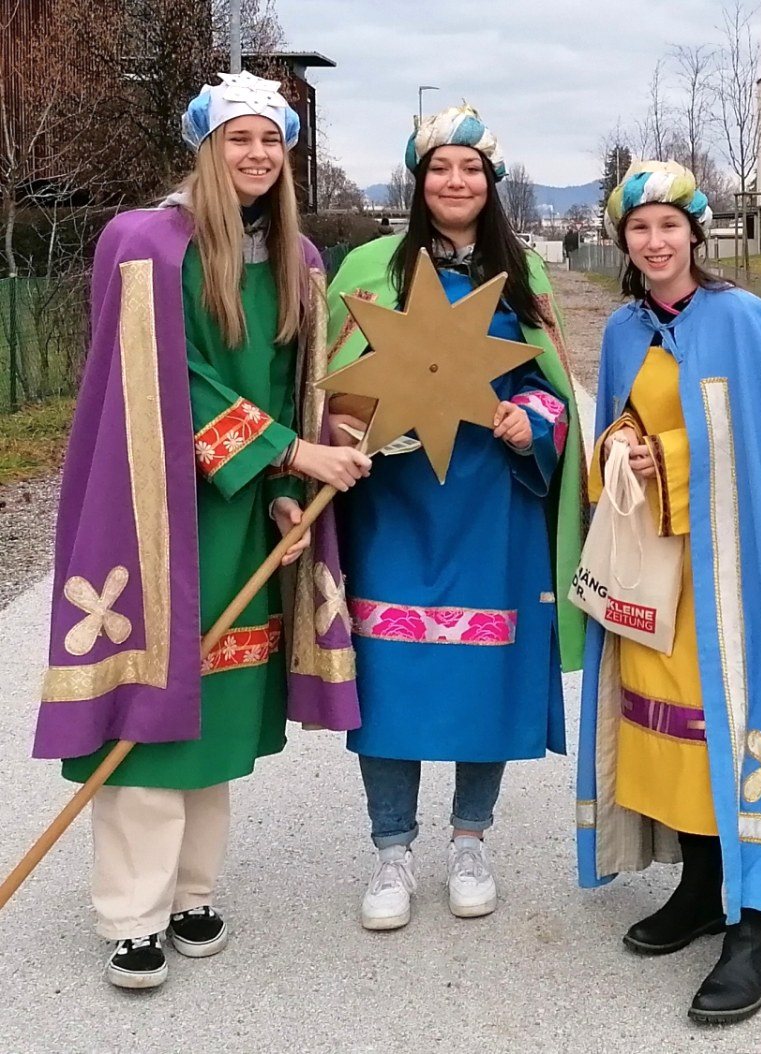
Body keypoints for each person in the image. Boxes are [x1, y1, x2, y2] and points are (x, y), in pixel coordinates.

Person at [32, 71, 371, 989]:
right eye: (238, 139)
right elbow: (166, 383)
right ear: (206, 147)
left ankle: (192, 890)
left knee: (213, 707)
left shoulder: (298, 260)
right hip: (149, 506)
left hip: (240, 504)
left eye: (271, 140)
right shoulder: (143, 242)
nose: (257, 155)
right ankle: (130, 915)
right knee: (148, 709)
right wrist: (295, 455)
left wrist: (281, 492)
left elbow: (282, 384)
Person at [575, 160, 761, 1025]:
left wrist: (676, 461)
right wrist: (625, 449)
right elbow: (615, 427)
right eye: (639, 230)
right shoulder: (623, 329)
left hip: (739, 577)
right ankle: (701, 886)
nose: (656, 243)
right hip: (660, 575)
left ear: (698, 233)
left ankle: (756, 928)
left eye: (670, 227)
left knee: (740, 725)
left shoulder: (745, 319)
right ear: (622, 242)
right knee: (677, 732)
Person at [323, 104, 585, 930]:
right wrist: (340, 429)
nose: (455, 181)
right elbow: (327, 382)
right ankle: (391, 851)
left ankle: (471, 839)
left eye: (470, 168)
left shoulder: (525, 272)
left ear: (491, 181)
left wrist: (532, 421)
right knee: (391, 673)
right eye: (440, 168)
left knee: (483, 672)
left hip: (489, 504)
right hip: (393, 505)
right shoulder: (367, 267)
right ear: (418, 179)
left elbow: (551, 385)